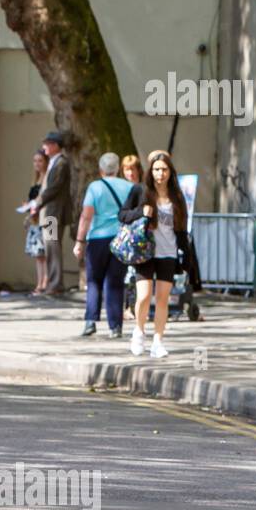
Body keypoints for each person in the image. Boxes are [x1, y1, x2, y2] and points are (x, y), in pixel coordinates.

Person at [119, 151, 197, 358]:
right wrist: (140, 212)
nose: (160, 174)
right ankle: (138, 332)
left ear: (171, 172)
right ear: (150, 171)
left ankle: (158, 341)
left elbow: (181, 229)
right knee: (144, 296)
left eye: (164, 170)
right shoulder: (140, 191)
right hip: (145, 251)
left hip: (168, 252)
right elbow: (123, 215)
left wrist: (186, 256)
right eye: (156, 169)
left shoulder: (177, 197)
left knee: (163, 299)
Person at [74, 152, 133, 337]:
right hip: (120, 239)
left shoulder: (95, 187)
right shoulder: (129, 187)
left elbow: (86, 216)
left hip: (97, 240)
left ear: (100, 169)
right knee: (115, 283)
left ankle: (90, 322)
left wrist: (79, 241)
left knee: (94, 281)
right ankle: (115, 327)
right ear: (118, 169)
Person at [34, 130, 71, 295]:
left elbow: (53, 188)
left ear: (56, 145)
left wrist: (38, 201)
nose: (44, 147)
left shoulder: (61, 163)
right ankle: (53, 283)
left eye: (47, 144)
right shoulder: (54, 162)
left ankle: (55, 284)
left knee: (52, 249)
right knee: (50, 249)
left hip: (53, 213)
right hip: (50, 213)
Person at [20, 149, 48, 293]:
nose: (37, 164)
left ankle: (46, 282)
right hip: (35, 221)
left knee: (47, 252)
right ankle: (40, 283)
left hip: (47, 219)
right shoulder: (35, 179)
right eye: (35, 160)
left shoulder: (47, 179)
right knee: (38, 254)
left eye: (40, 160)